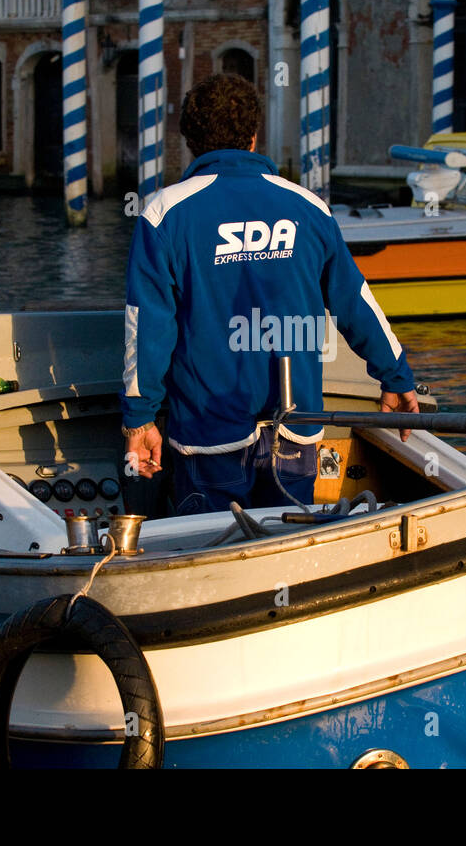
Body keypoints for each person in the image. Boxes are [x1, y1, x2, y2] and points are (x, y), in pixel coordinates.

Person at [119, 73, 419, 515]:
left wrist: (139, 417)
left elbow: (147, 326)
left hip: (209, 431)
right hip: (296, 427)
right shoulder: (308, 206)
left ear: (189, 142)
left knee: (211, 552)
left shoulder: (165, 213)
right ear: (255, 137)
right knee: (285, 545)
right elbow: (355, 302)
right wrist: (396, 376)